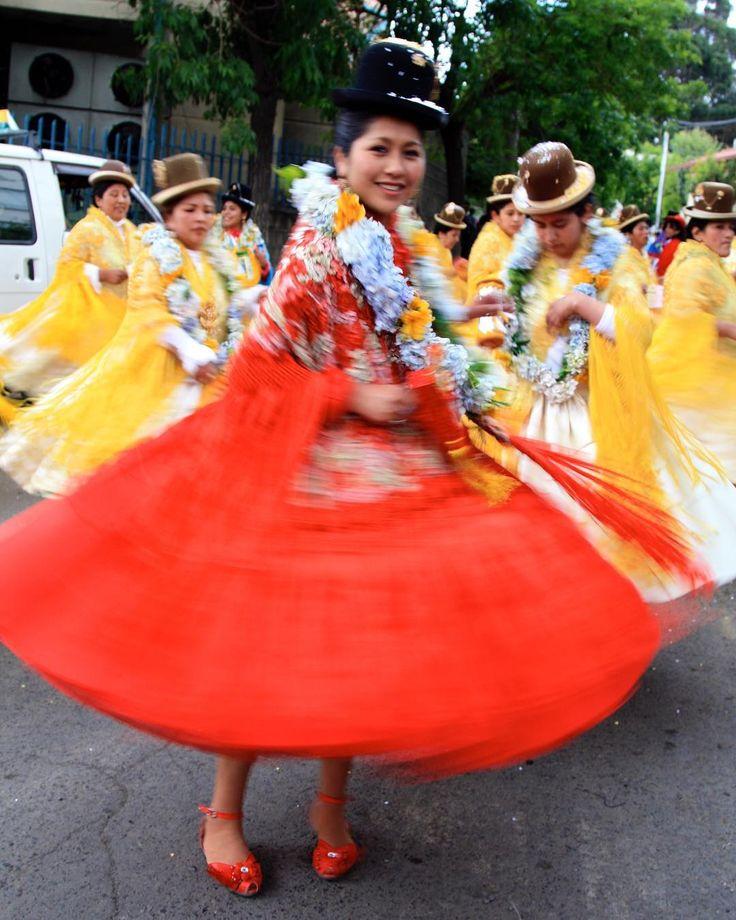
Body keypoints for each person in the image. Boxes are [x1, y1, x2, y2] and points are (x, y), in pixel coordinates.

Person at [1, 41, 684, 901]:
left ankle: (330, 807)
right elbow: (258, 371)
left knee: (352, 655)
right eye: (380, 149)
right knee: (257, 653)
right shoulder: (317, 250)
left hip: (388, 483)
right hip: (295, 474)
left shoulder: (398, 248)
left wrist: (445, 390)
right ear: (342, 157)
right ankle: (223, 814)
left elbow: (419, 345)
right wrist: (351, 399)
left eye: (410, 151)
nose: (397, 167)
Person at [475, 142, 736, 601]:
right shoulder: (521, 263)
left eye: (561, 223)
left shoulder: (613, 262)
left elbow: (639, 332)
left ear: (587, 213)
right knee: (536, 535)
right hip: (534, 412)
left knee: (596, 536)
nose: (550, 236)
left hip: (597, 414)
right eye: (540, 224)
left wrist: (585, 305)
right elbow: (510, 339)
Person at [0, 153, 254, 496]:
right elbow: (146, 306)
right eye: (189, 210)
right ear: (169, 217)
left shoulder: (210, 259)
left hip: (204, 380)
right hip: (150, 367)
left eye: (207, 210)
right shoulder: (143, 248)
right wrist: (186, 347)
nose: (200, 218)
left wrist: (252, 300)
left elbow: (226, 307)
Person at [0, 160, 141, 422]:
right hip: (89, 320)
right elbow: (66, 266)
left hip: (121, 321)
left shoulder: (133, 233)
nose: (121, 200)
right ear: (99, 199)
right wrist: (100, 274)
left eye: (125, 195)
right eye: (114, 194)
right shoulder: (87, 229)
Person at [648, 182, 736, 481]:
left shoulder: (708, 262)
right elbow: (681, 321)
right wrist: (729, 329)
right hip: (699, 395)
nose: (728, 234)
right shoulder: (696, 266)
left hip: (711, 389)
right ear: (697, 232)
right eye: (719, 227)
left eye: (731, 227)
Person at [462, 174, 524, 346]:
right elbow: (483, 284)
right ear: (496, 215)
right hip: (489, 321)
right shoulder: (490, 240)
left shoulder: (515, 238)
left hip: (509, 316)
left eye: (521, 213)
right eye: (510, 213)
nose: (516, 219)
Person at [216, 182, 273, 286]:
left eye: (232, 209)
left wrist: (264, 266)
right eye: (224, 208)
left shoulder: (255, 239)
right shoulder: (213, 237)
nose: (226, 213)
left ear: (244, 214)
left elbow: (267, 280)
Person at [616, 205, 660, 311]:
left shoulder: (643, 254)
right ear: (628, 234)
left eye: (646, 228)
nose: (646, 232)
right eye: (641, 228)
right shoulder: (623, 257)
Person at [428, 201, 468, 302]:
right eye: (454, 235)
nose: (457, 240)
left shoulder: (446, 250)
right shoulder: (429, 248)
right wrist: (455, 271)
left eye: (458, 235)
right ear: (441, 234)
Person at [655, 212, 686, 279]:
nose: (666, 229)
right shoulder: (678, 244)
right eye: (666, 226)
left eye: (670, 227)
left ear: (677, 231)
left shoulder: (674, 245)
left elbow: (662, 268)